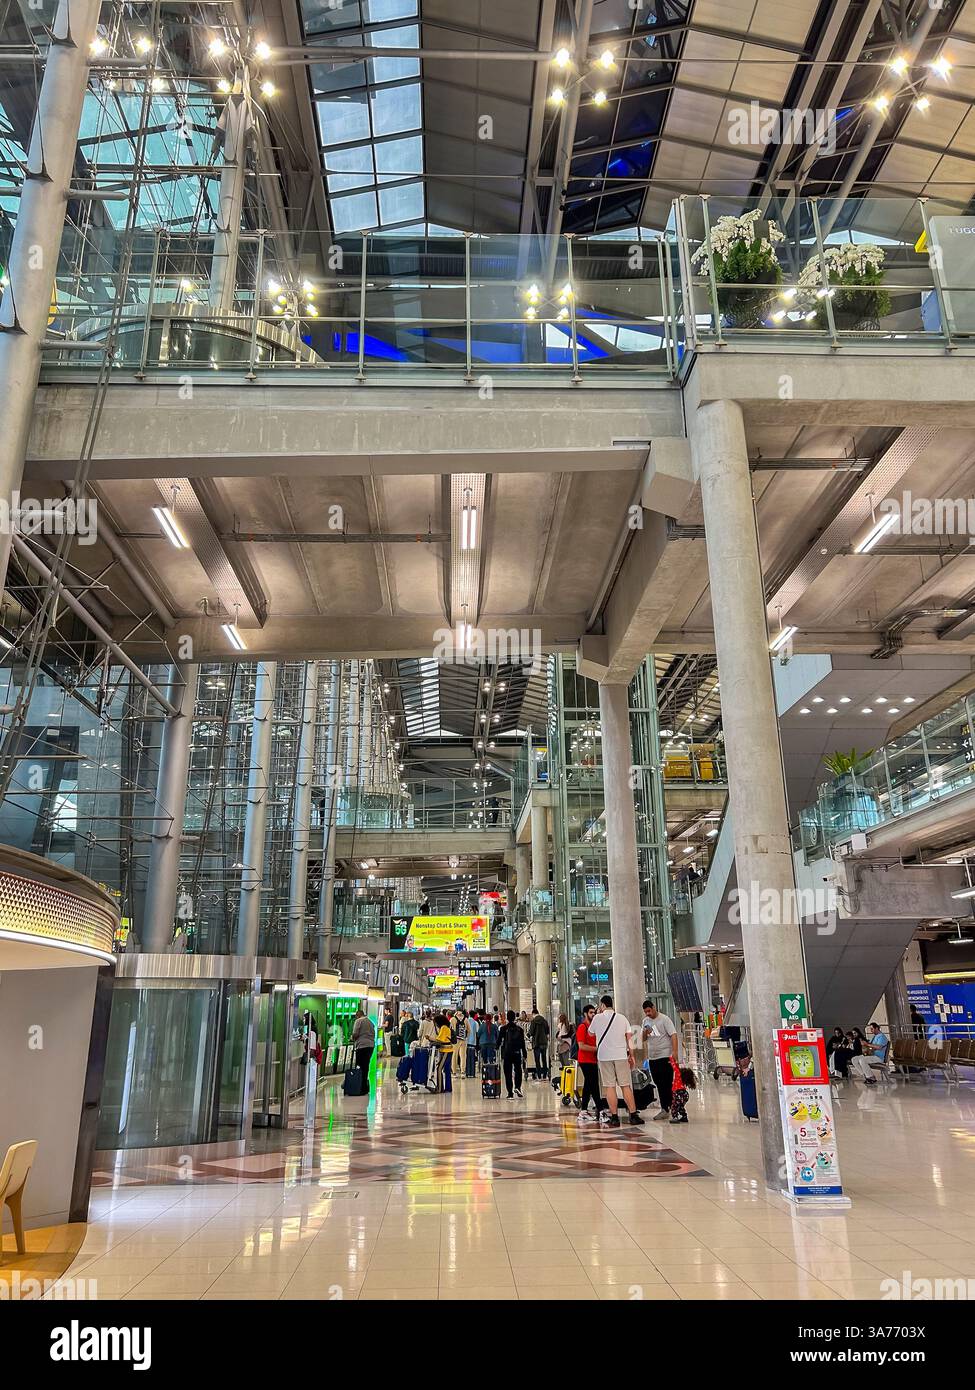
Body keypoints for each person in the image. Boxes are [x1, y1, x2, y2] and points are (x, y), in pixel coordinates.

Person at [590, 995, 644, 1127]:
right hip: (620, 1055)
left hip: (604, 1056)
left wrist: (597, 1015)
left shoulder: (597, 1018)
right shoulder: (622, 1018)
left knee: (610, 1086)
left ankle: (614, 1117)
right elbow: (629, 1038)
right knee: (625, 1086)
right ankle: (633, 1115)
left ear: (602, 1005)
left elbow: (591, 1033)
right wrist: (631, 1056)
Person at [641, 999, 679, 1122]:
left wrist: (674, 1052)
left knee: (667, 1083)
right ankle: (665, 1108)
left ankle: (672, 1108)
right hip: (653, 1057)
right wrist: (645, 1032)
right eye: (645, 1012)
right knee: (658, 1083)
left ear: (654, 1007)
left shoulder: (664, 1019)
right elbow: (643, 1039)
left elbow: (673, 1035)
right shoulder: (645, 1021)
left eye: (649, 1011)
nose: (648, 1014)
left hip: (665, 1055)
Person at [575, 1003, 608, 1122]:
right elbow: (581, 1046)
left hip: (593, 1060)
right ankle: (601, 1110)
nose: (593, 1015)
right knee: (593, 1085)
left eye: (594, 1012)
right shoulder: (582, 1027)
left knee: (588, 1085)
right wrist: (597, 1048)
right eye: (591, 1013)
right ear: (585, 1014)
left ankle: (583, 1111)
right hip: (585, 1060)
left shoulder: (594, 1027)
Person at [500, 1009, 527, 1099]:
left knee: (508, 1073)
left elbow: (499, 1041)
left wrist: (496, 1047)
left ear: (507, 1018)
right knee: (518, 1070)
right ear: (515, 1018)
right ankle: (518, 1087)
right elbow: (523, 1043)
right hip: (517, 1052)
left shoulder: (503, 1029)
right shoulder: (520, 1029)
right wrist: (525, 1054)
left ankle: (510, 1093)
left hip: (507, 1053)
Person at [351, 1006, 376, 1096]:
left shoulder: (358, 1021)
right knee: (366, 1066)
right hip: (370, 1046)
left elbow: (355, 1033)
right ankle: (365, 1086)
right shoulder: (370, 1022)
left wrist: (352, 1038)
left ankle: (359, 1086)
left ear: (358, 1015)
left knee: (360, 1066)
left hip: (362, 1046)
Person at [432, 1012, 454, 1092]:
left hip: (446, 1051)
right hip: (449, 1050)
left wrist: (430, 1038)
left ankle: (440, 1088)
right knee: (447, 1070)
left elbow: (439, 1039)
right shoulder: (446, 1027)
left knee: (439, 1068)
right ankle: (448, 1088)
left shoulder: (444, 1028)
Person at [528, 1007, 550, 1080]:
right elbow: (547, 1031)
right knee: (544, 1059)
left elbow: (531, 1032)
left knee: (537, 1060)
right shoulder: (544, 1021)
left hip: (536, 1043)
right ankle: (545, 1074)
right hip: (544, 1042)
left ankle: (539, 1075)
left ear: (533, 1014)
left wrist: (528, 1035)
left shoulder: (533, 1021)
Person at [453, 1008, 468, 1078]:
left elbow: (450, 1030)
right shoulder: (465, 1019)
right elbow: (469, 1030)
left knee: (454, 1055)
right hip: (463, 1040)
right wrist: (465, 1036)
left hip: (455, 1040)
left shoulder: (453, 1019)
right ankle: (463, 1072)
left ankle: (454, 1072)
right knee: (463, 1056)